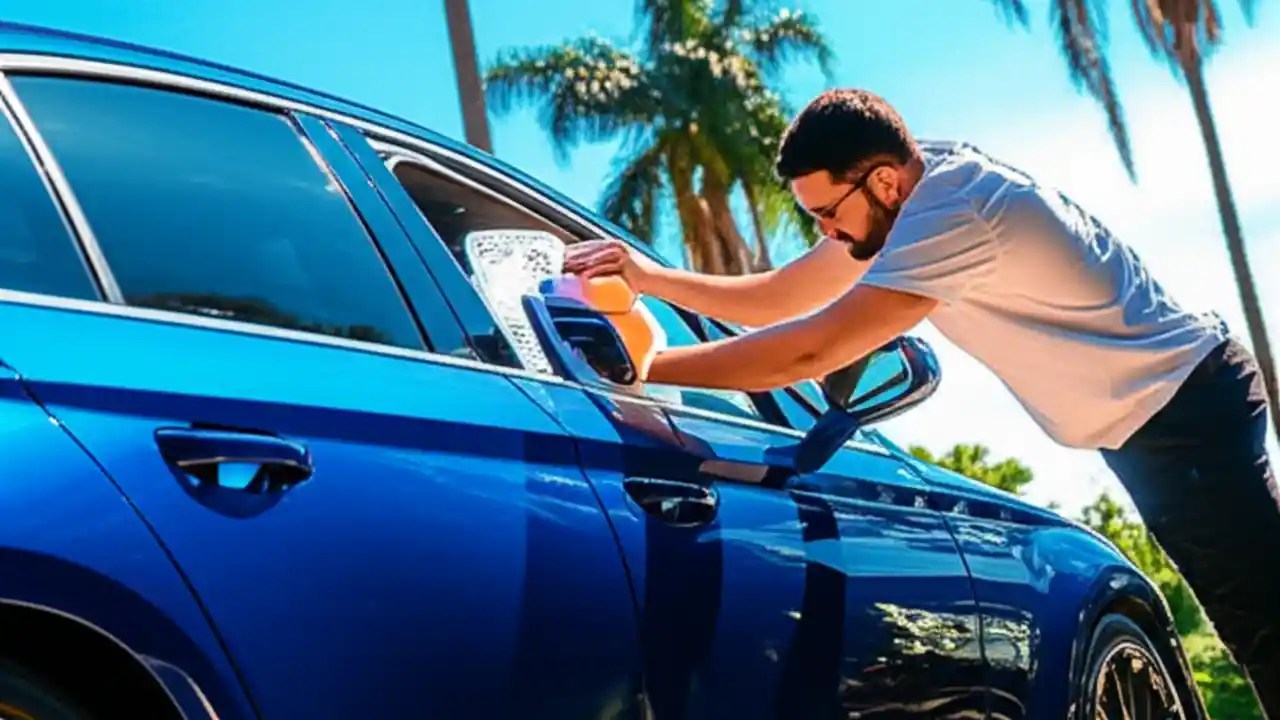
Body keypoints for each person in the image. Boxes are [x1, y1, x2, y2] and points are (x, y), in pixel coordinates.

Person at [564, 88, 1279, 715]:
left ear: (882, 181)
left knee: (1266, 628)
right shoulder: (907, 190)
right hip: (1164, 420)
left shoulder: (951, 212)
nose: (826, 234)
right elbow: (785, 297)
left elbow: (814, 349)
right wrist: (653, 279)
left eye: (827, 214)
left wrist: (648, 368)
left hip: (1185, 416)